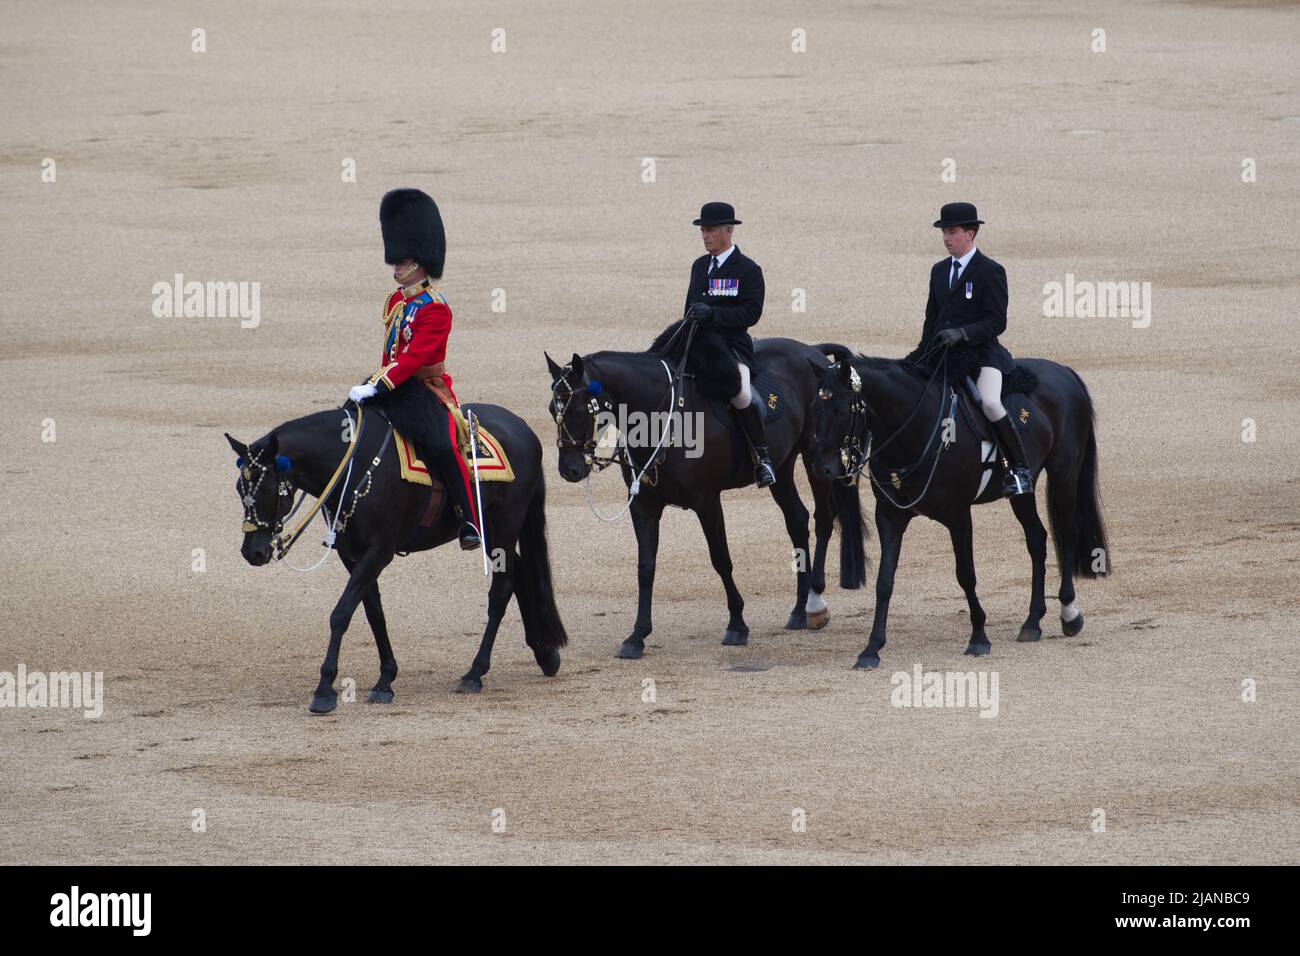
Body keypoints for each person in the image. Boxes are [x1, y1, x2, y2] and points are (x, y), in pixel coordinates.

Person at [348, 188, 481, 548]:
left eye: (401, 261)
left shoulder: (435, 309)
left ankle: (469, 520)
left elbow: (413, 359)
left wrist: (381, 384)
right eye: (395, 260)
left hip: (424, 389)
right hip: (394, 383)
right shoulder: (396, 301)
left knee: (441, 444)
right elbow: (391, 353)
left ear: (420, 263)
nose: (395, 266)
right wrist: (375, 383)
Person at [914, 202, 1033, 496]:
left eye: (952, 232)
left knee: (990, 402)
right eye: (944, 232)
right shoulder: (939, 271)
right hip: (943, 352)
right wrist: (919, 355)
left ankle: (1019, 469)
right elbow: (932, 319)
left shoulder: (991, 271)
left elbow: (996, 321)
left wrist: (964, 334)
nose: (946, 238)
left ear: (971, 233)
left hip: (982, 354)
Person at [683, 201, 775, 487]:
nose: (705, 236)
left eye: (710, 230)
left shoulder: (748, 269)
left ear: (728, 230)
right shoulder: (699, 266)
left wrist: (714, 314)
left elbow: (752, 312)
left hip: (731, 347)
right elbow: (688, 308)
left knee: (742, 393)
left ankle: (762, 458)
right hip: (697, 344)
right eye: (703, 231)